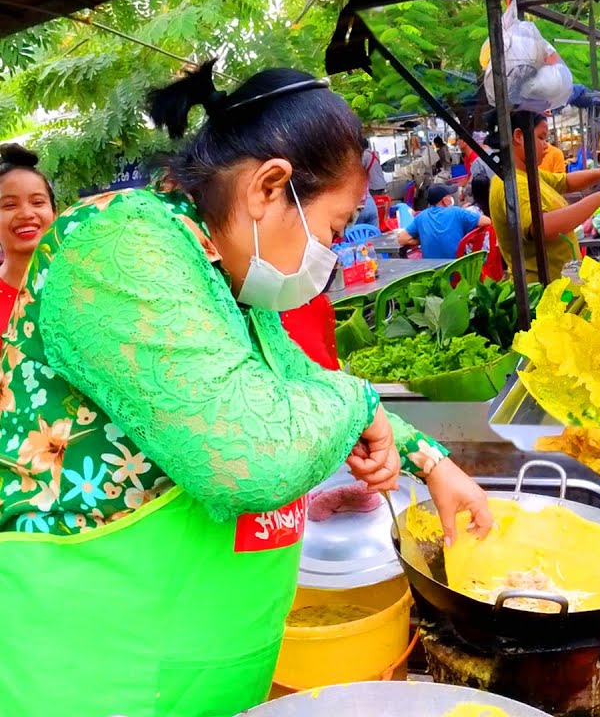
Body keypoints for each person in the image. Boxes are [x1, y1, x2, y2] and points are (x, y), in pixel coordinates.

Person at [0, 61, 492, 717]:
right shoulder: (116, 246)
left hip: (198, 669)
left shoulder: (219, 269)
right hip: (101, 675)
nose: (329, 256)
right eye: (333, 230)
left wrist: (429, 461)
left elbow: (301, 380)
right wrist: (360, 405)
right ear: (269, 186)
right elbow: (247, 461)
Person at [489, 111, 600, 283]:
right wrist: (599, 198)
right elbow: (542, 227)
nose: (546, 145)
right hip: (541, 290)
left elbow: (565, 182)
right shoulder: (511, 183)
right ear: (519, 136)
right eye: (541, 137)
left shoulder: (529, 174)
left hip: (561, 284)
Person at [0, 144, 56, 329]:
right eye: (9, 205)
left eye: (37, 202)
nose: (26, 214)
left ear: (54, 213)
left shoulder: (84, 282)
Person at [395, 183, 490, 259]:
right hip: (458, 269)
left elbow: (402, 239)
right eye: (449, 195)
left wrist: (420, 241)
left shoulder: (421, 216)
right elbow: (487, 221)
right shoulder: (456, 211)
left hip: (432, 273)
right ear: (445, 200)